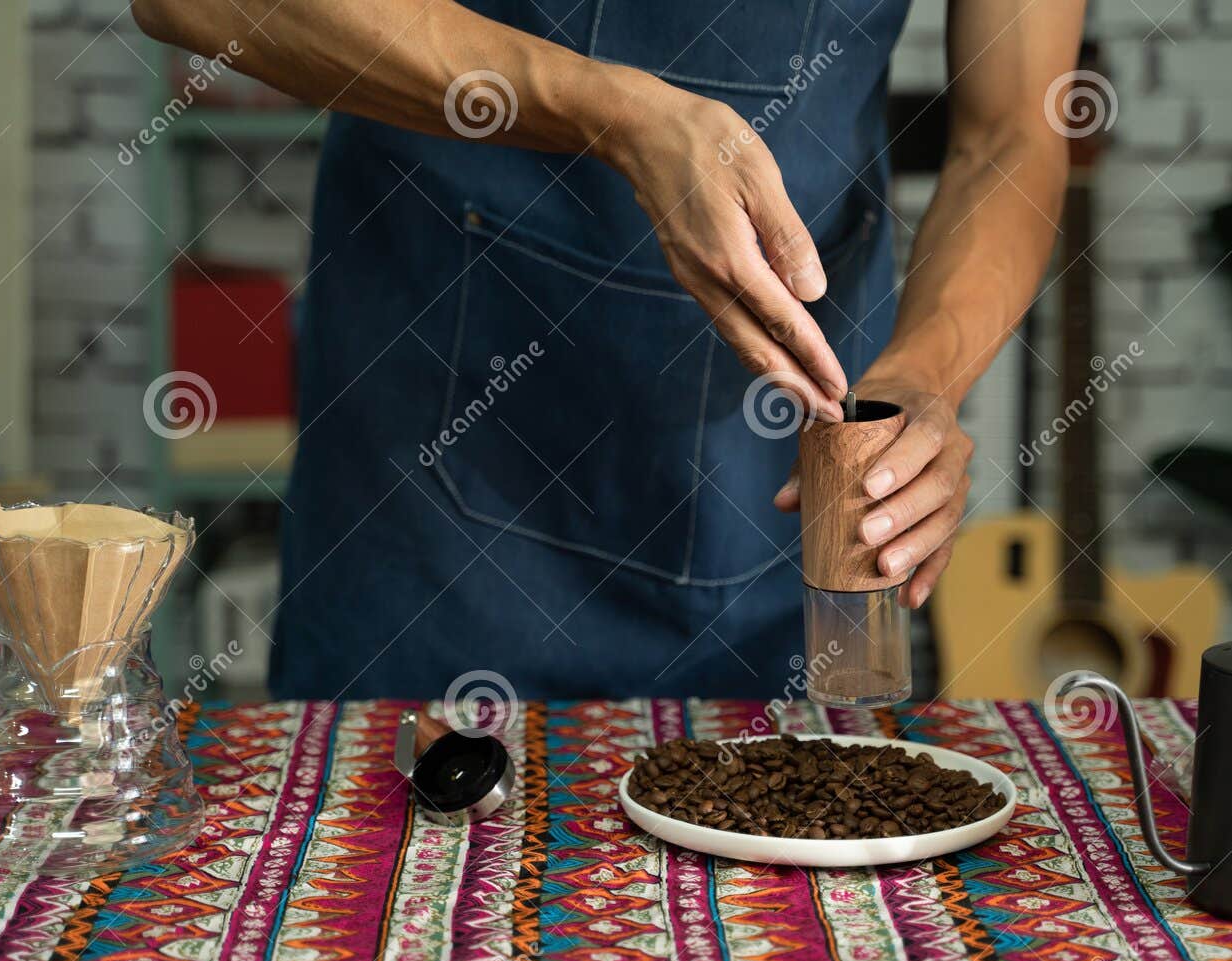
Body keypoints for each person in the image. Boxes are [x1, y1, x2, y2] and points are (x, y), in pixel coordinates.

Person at [131, 0, 1082, 701]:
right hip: (430, 495)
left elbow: (1012, 131)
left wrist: (925, 373)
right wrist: (610, 113)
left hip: (771, 496)